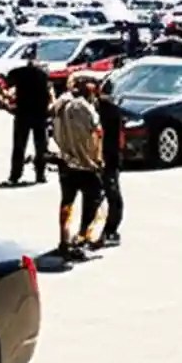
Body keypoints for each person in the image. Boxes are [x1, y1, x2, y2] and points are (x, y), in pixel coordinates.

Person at [50, 74, 103, 261]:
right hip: (86, 165)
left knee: (67, 203)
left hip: (65, 162)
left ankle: (64, 241)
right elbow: (97, 133)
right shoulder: (85, 108)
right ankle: (82, 240)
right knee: (94, 202)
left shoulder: (59, 106)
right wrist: (97, 160)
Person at [2, 45, 51, 185]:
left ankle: (15, 175)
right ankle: (40, 175)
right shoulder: (43, 74)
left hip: (23, 113)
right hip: (39, 114)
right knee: (40, 146)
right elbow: (47, 94)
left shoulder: (18, 72)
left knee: (19, 146)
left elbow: (6, 83)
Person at [95, 78, 125, 246]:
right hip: (110, 159)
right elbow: (119, 139)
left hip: (93, 158)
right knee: (114, 199)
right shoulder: (114, 112)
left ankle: (88, 230)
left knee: (94, 197)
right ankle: (110, 231)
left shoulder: (92, 108)